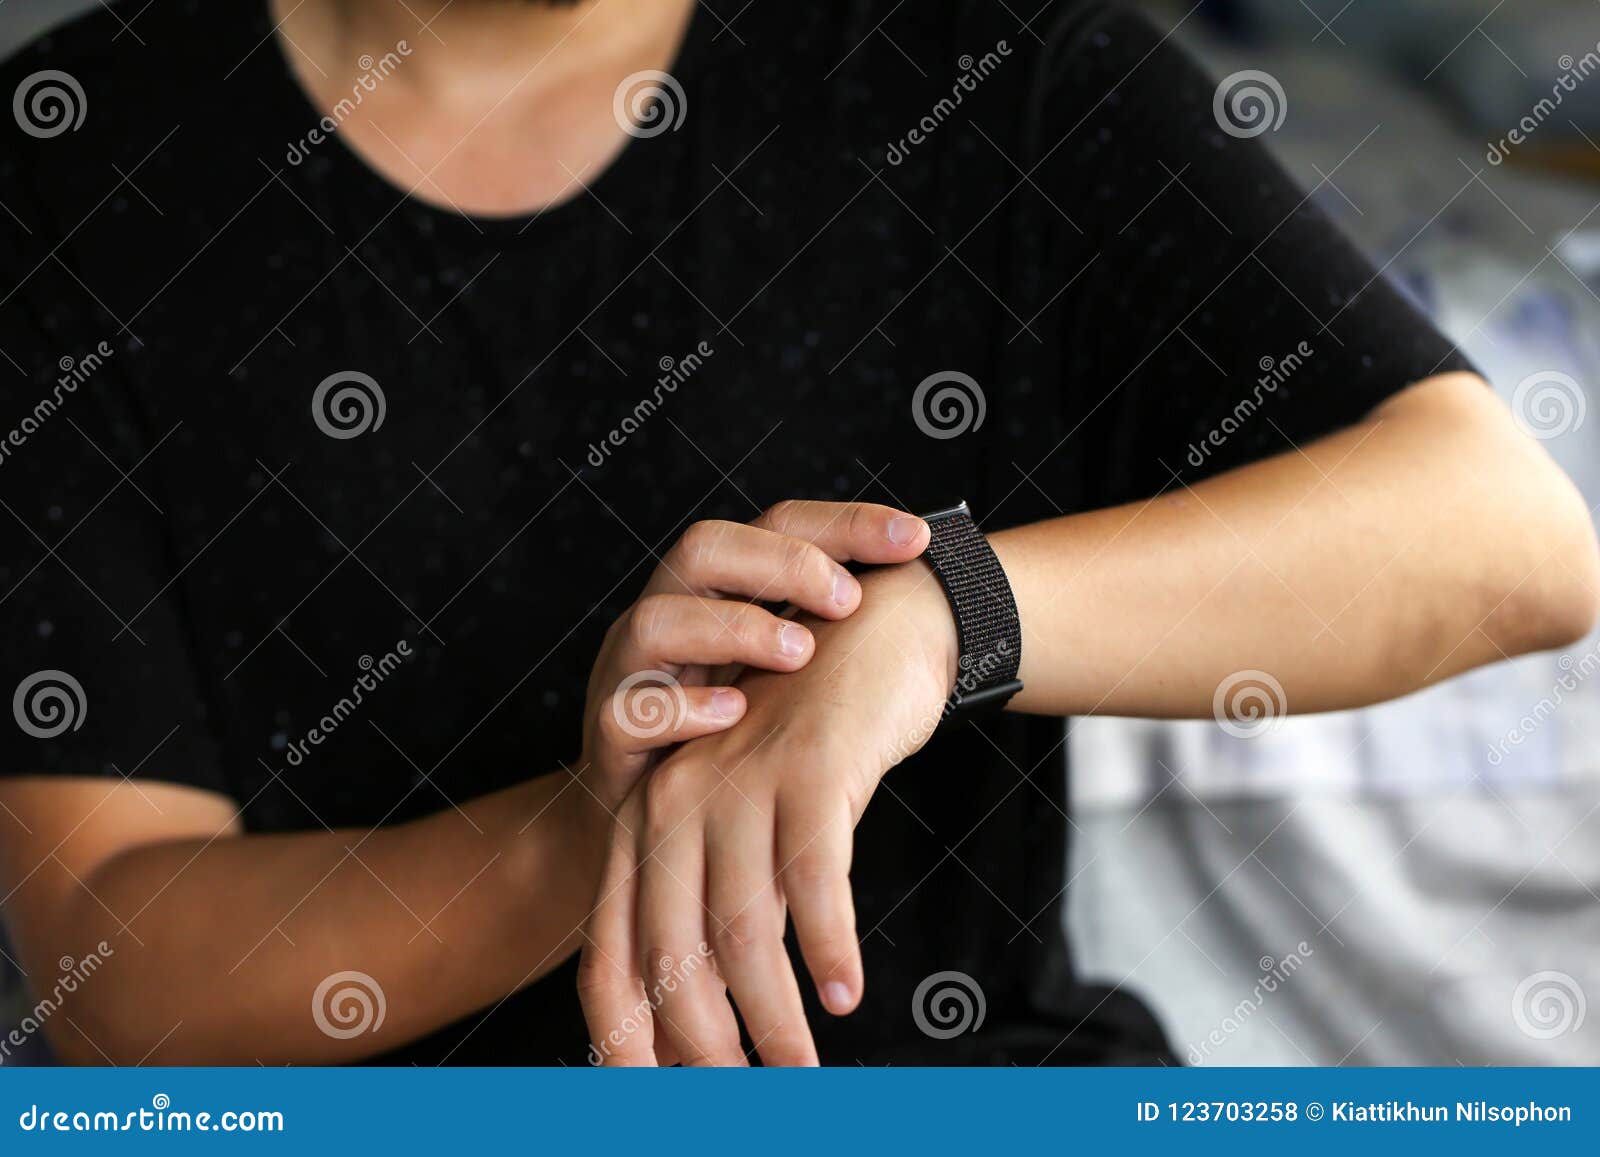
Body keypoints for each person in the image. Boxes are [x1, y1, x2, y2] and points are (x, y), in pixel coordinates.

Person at [0, 0, 1593, 1067]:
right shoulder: (70, 161)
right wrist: (623, 813)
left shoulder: (974, 57)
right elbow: (115, 956)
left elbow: (1505, 533)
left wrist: (939, 618)